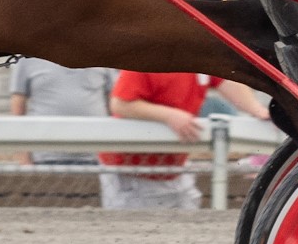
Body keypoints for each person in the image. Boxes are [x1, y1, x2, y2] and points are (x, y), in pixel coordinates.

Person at [102, 70, 269, 209]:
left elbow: (225, 81)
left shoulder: (198, 59)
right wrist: (169, 116)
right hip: (131, 172)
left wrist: (258, 110)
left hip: (175, 169)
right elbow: (120, 104)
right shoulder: (148, 57)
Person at [8, 56, 116, 203]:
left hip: (95, 159)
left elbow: (116, 103)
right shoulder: (28, 58)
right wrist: (24, 160)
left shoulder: (102, 55)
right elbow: (17, 112)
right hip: (45, 160)